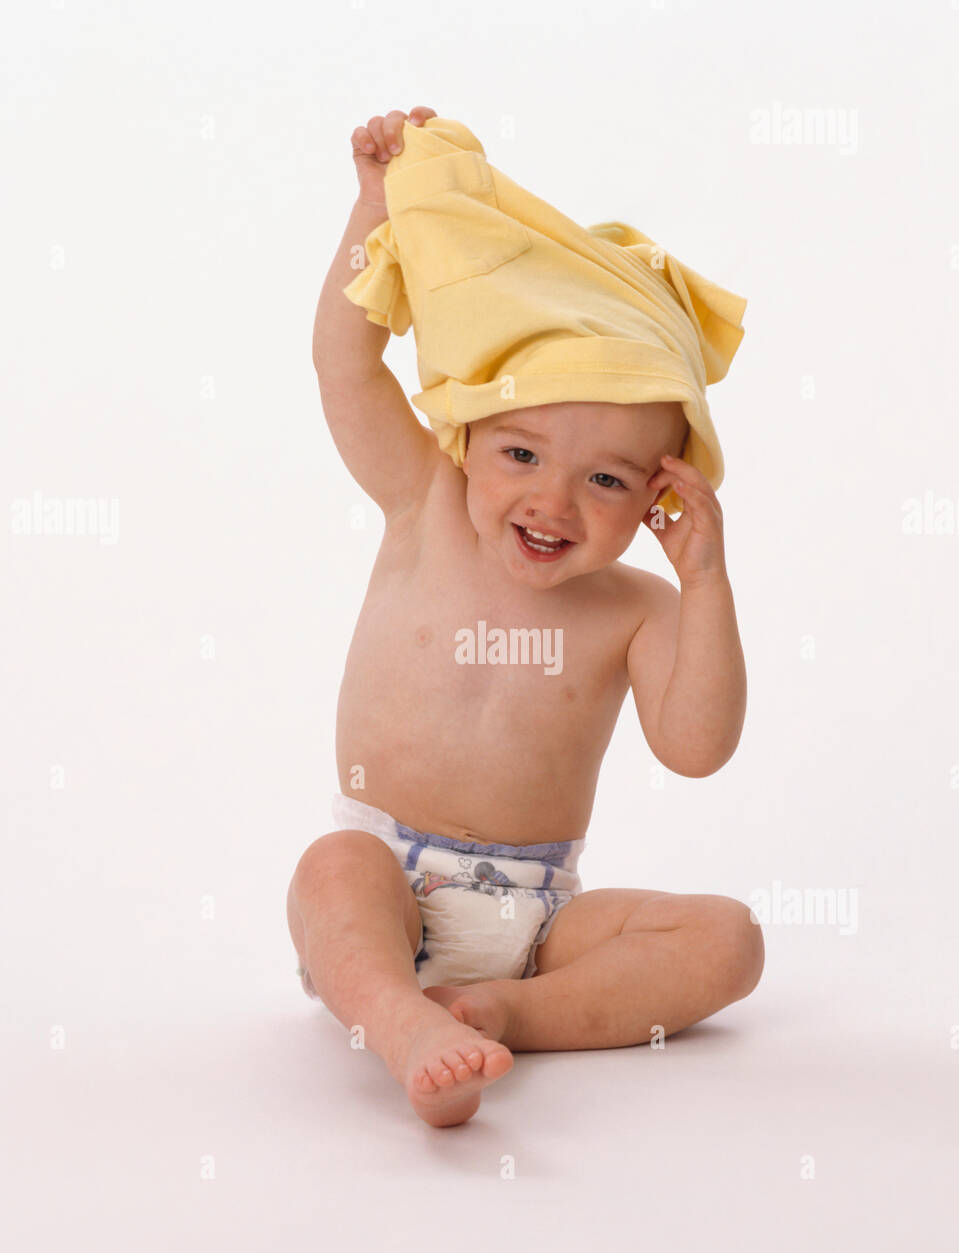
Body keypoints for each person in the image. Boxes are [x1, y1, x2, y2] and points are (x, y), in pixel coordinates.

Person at [287, 106, 764, 1128]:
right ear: (467, 437)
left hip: (543, 919)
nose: (553, 503)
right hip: (393, 880)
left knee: (729, 941)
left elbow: (697, 748)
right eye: (520, 454)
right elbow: (345, 365)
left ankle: (506, 1012)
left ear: (659, 497)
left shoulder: (638, 607)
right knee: (329, 873)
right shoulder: (423, 503)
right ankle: (404, 1024)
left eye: (606, 479)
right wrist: (374, 210)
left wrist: (706, 581)